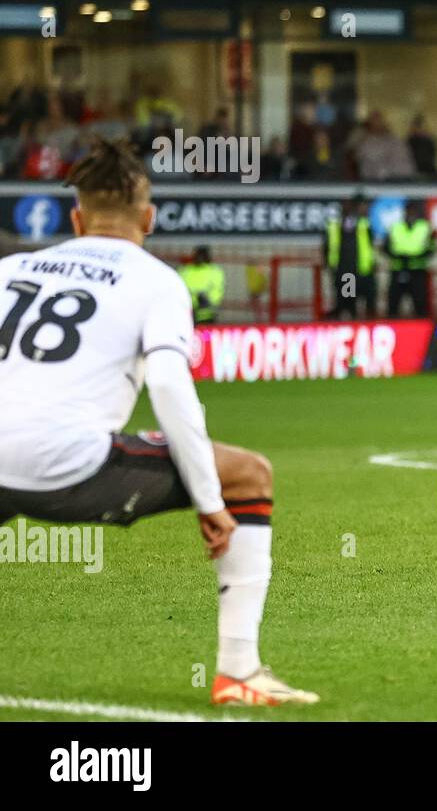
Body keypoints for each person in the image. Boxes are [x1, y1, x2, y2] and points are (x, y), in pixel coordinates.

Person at [0, 140, 316, 705]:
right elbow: (170, 385)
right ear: (148, 217)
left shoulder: (11, 269)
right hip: (65, 466)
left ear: (76, 218)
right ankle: (239, 672)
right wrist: (208, 497)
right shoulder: (155, 280)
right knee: (250, 474)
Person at [324, 193, 376, 319]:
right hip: (347, 272)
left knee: (369, 303)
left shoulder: (363, 224)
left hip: (363, 270)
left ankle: (366, 326)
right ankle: (349, 325)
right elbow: (327, 248)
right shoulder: (336, 225)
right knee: (348, 302)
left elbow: (369, 244)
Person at [385, 200, 433, 318]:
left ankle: (423, 329)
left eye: (413, 211)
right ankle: (393, 327)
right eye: (408, 211)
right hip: (398, 268)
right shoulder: (396, 227)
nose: (411, 214)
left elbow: (432, 247)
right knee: (393, 303)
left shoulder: (425, 227)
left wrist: (416, 256)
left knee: (420, 303)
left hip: (417, 270)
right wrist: (398, 256)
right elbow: (386, 247)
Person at [178, 245, 225, 325]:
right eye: (198, 255)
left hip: (207, 315)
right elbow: (178, 290)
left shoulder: (215, 271)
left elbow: (218, 290)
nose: (200, 258)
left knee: (205, 336)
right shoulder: (184, 271)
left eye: (203, 255)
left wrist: (208, 301)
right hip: (187, 313)